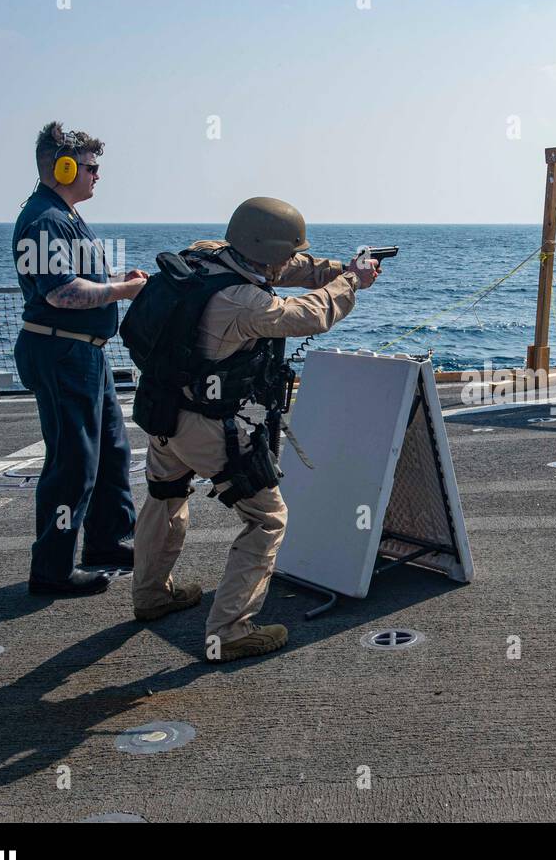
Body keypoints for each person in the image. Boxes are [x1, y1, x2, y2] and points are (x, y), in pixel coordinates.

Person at [129, 197, 379, 663]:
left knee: (165, 497)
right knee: (267, 519)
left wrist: (335, 269)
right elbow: (309, 315)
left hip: (162, 408)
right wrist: (351, 282)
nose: (288, 262)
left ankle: (149, 595)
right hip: (207, 426)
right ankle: (229, 630)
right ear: (270, 252)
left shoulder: (202, 256)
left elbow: (281, 268)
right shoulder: (247, 304)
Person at [12, 121, 148, 597]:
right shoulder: (46, 219)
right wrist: (125, 290)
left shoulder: (62, 214)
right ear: (64, 167)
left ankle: (108, 541)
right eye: (90, 167)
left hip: (83, 352)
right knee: (74, 459)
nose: (97, 175)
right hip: (62, 349)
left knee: (111, 449)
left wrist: (116, 284)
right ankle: (51, 567)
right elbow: (61, 293)